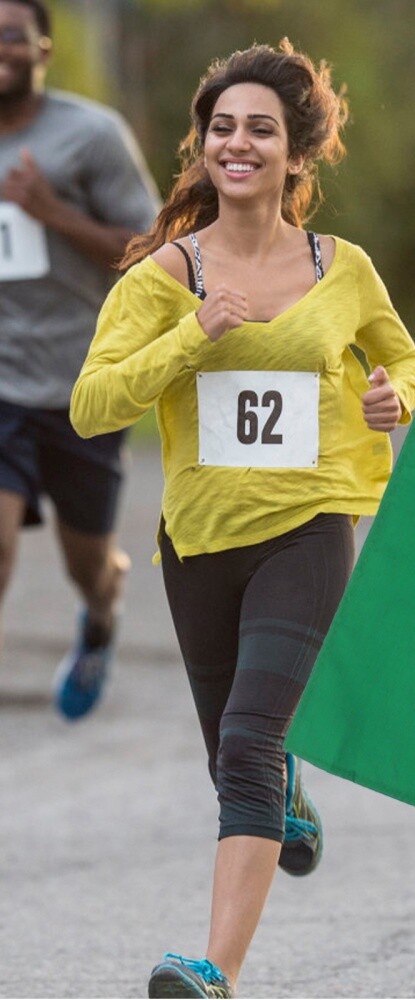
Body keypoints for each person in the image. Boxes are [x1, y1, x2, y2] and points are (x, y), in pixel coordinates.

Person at [70, 40, 415, 997]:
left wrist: (396, 400)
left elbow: (404, 362)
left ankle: (213, 971)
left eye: (260, 129)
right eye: (222, 128)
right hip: (197, 540)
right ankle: (289, 799)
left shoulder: (342, 269)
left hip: (309, 527)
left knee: (246, 743)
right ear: (202, 148)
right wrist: (192, 336)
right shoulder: (162, 278)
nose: (239, 143)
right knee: (237, 756)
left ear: (295, 155)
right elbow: (92, 406)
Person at [0, 0, 159, 719]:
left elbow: (152, 254)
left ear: (42, 48)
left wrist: (53, 211)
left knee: (86, 563)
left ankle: (101, 617)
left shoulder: (91, 135)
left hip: (83, 383)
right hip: (2, 380)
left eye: (8, 35)